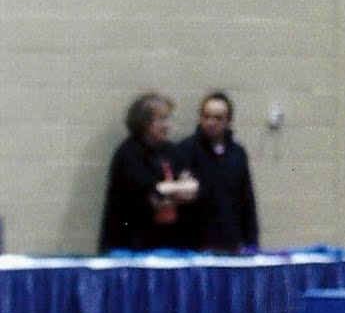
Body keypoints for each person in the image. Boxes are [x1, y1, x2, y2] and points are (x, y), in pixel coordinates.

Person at [98, 91, 200, 253]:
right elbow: (147, 194)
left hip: (168, 241)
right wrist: (173, 189)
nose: (167, 125)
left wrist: (167, 190)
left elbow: (192, 187)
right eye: (161, 120)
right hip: (131, 243)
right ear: (144, 123)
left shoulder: (172, 152)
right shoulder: (128, 154)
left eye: (168, 119)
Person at [179, 91, 259, 255]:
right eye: (206, 117)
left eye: (217, 118)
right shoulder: (185, 150)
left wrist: (252, 244)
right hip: (196, 246)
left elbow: (247, 200)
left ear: (228, 121)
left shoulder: (238, 153)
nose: (211, 122)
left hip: (231, 244)